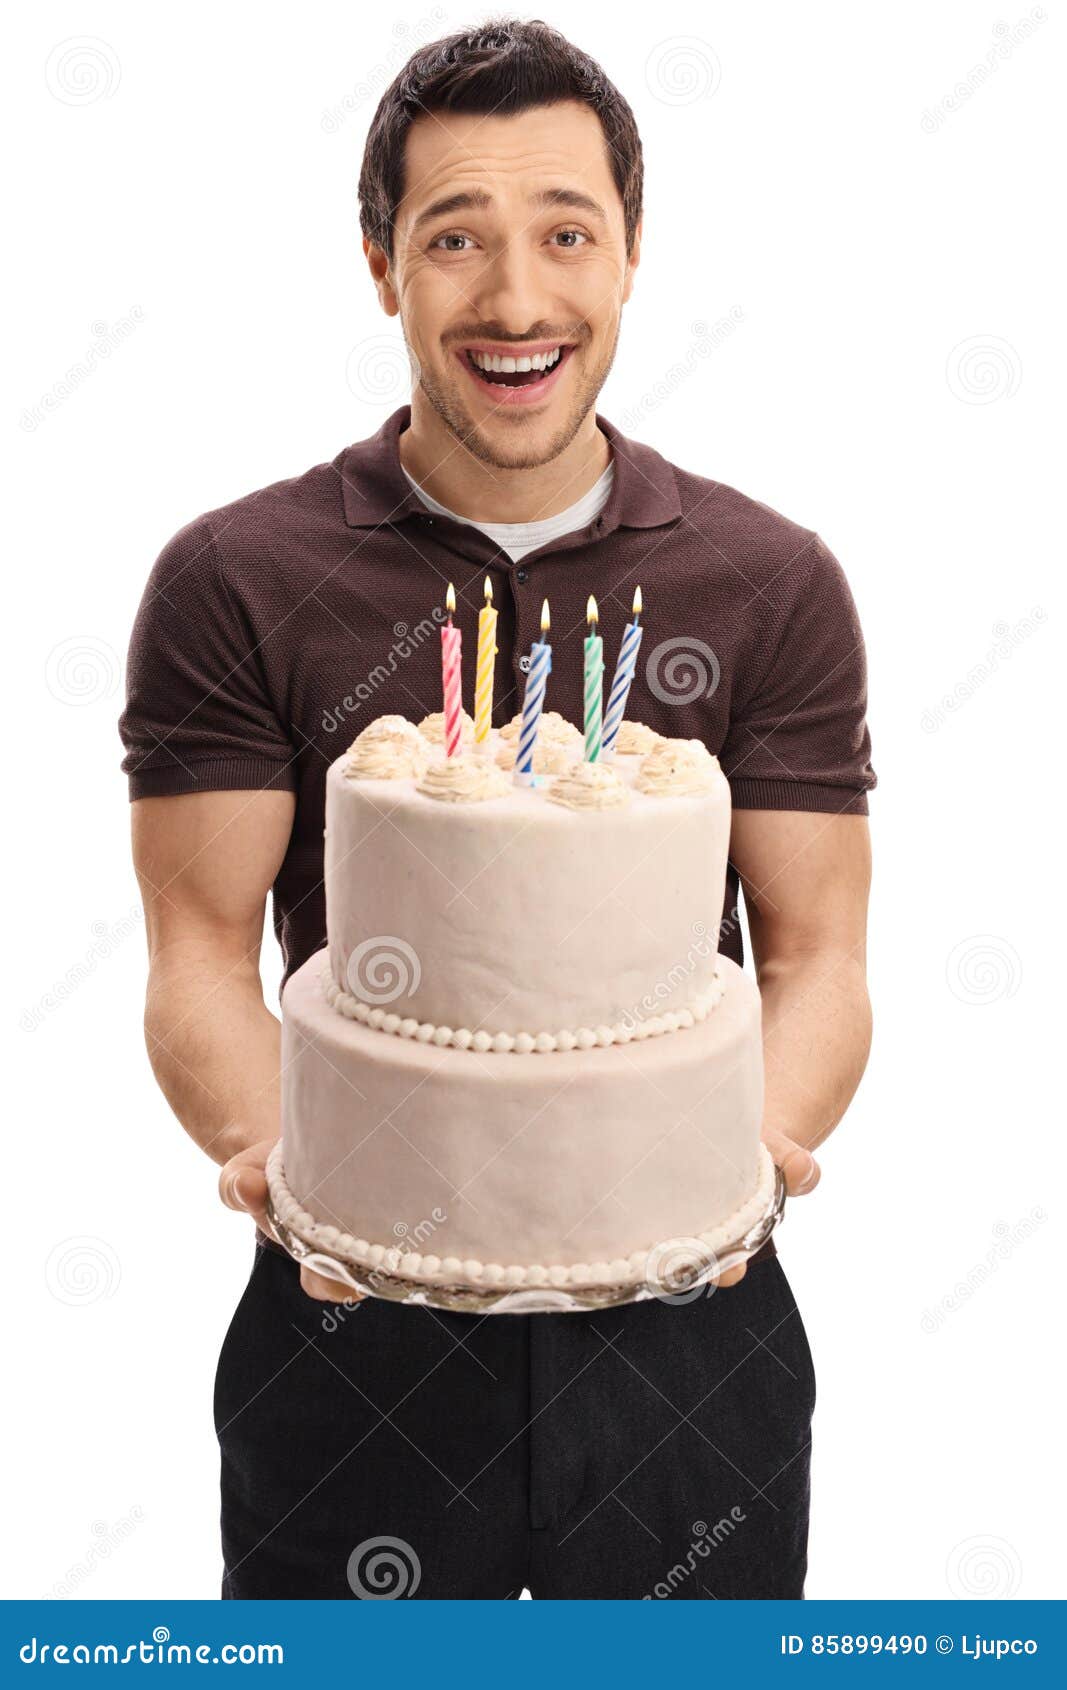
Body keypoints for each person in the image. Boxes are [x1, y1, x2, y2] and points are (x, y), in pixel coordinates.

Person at [119, 19, 874, 1600]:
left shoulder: (769, 581)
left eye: (566, 234)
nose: (518, 300)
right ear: (383, 266)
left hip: (691, 1343)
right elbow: (197, 950)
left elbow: (819, 955)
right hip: (349, 1327)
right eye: (456, 238)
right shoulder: (238, 577)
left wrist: (732, 1159)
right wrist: (295, 1162)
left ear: (634, 253)